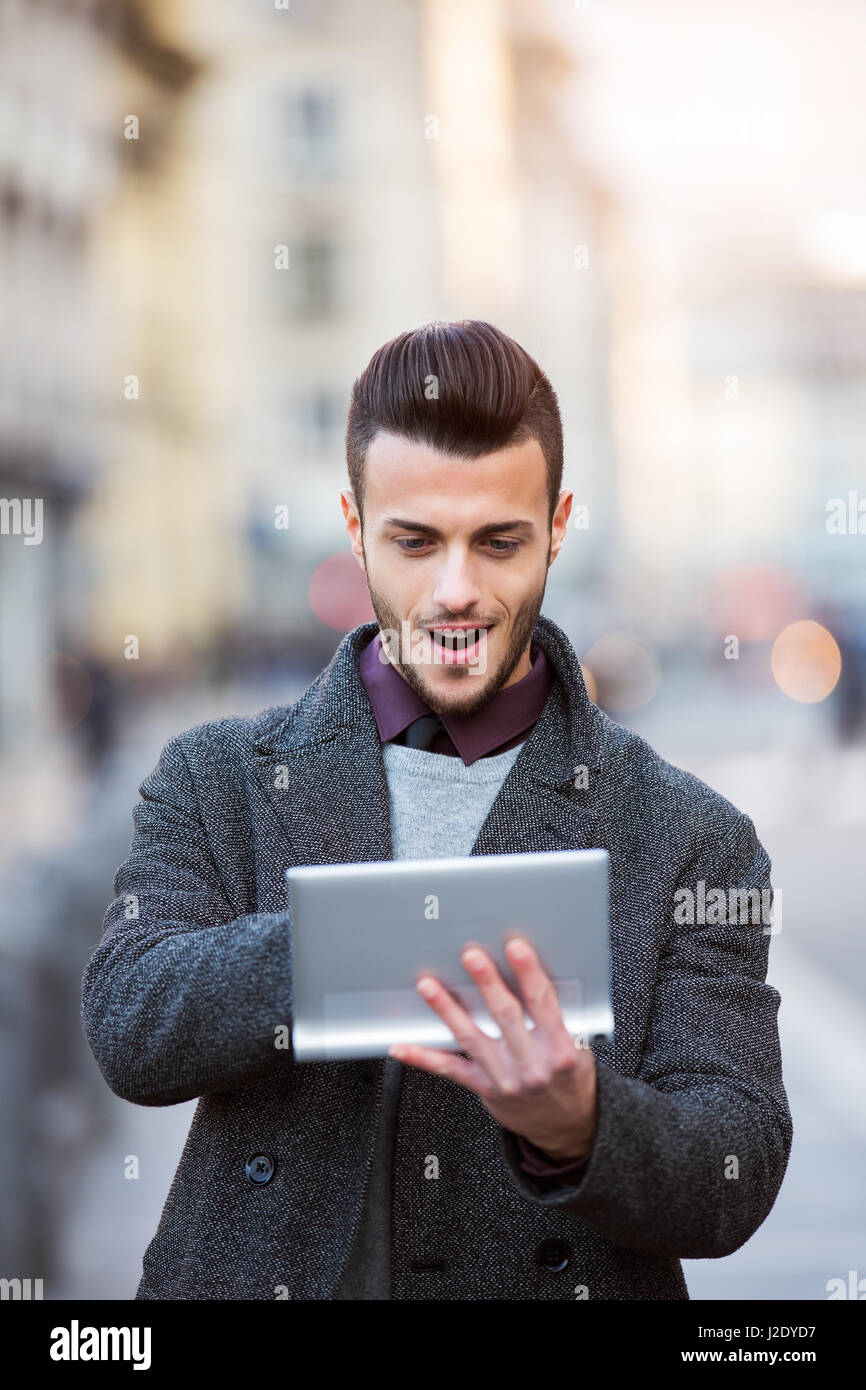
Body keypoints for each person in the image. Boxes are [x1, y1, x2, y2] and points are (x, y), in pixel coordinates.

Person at [81, 319, 792, 1300]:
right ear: (354, 525)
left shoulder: (693, 837)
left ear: (556, 525)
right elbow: (130, 1026)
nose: (456, 591)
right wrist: (350, 944)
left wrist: (580, 1122)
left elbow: (735, 1168)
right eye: (414, 541)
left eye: (498, 541)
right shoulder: (216, 777)